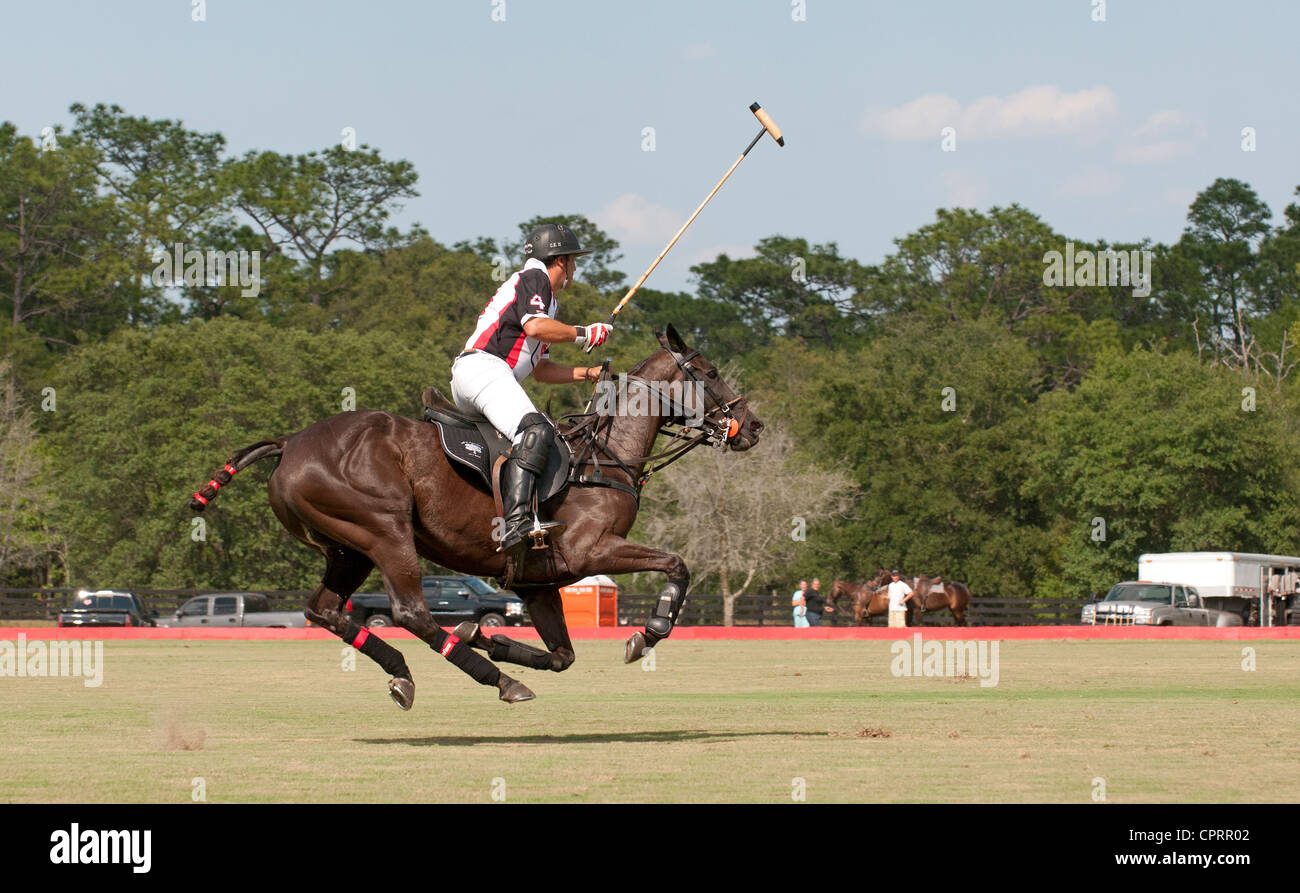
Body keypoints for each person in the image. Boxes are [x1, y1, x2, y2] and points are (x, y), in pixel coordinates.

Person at [451, 222, 611, 568]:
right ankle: (517, 525)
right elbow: (535, 327)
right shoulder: (535, 276)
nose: (574, 268)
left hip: (481, 375)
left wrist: (588, 373)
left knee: (534, 433)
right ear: (561, 260)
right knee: (535, 431)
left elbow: (541, 371)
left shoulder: (547, 303)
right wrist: (585, 333)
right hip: (484, 369)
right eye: (573, 260)